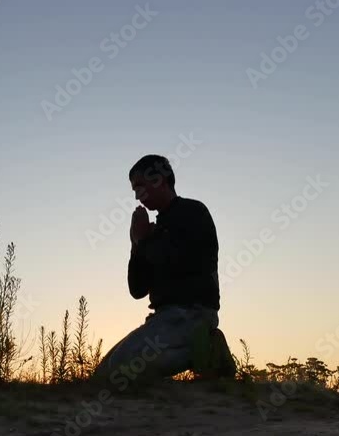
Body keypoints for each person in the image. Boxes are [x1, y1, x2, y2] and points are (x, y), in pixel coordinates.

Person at [92, 154, 234, 383]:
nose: (138, 195)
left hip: (193, 313)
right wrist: (135, 244)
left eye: (140, 186)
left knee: (121, 369)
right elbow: (137, 289)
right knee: (103, 373)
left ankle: (208, 351)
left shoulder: (193, 212)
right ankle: (196, 351)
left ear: (159, 180)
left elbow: (180, 261)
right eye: (134, 190)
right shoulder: (153, 231)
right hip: (163, 319)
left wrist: (145, 240)